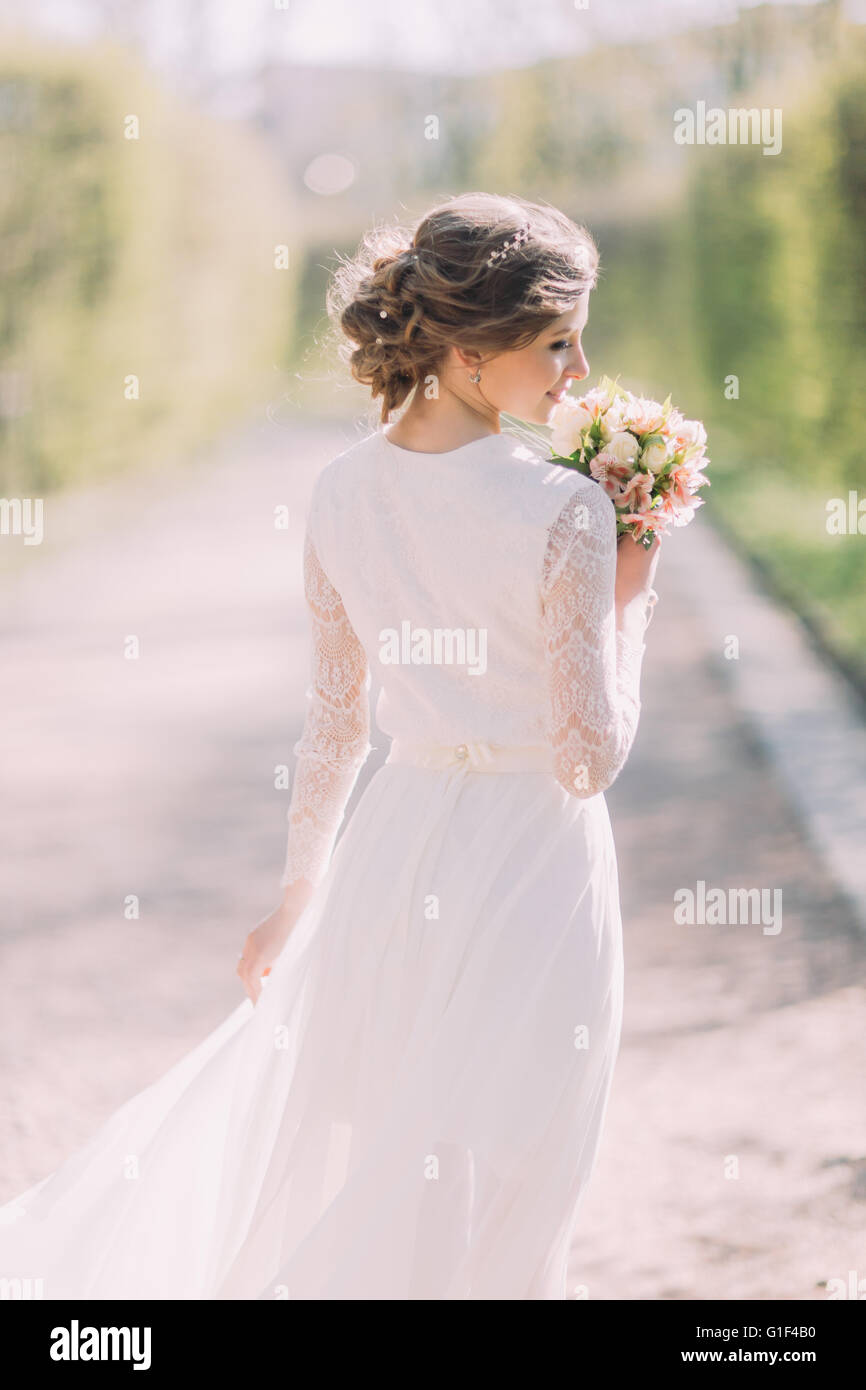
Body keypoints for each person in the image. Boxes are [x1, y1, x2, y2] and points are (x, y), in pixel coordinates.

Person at [0, 192, 659, 1300]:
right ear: (463, 350)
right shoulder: (563, 512)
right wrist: (630, 599)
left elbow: (333, 721)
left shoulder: (339, 491)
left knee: (391, 1152)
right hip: (528, 862)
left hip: (391, 860)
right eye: (556, 341)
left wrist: (297, 898)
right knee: (519, 1165)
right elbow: (586, 758)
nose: (578, 368)